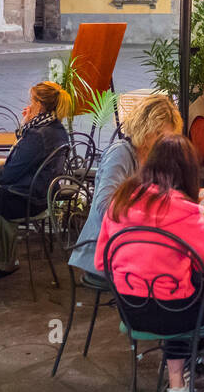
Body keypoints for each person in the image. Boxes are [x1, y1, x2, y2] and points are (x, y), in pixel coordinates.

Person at [95, 134, 204, 392]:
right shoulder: (185, 212)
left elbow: (100, 259)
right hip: (177, 316)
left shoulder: (120, 202)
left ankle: (177, 390)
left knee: (181, 288)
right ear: (187, 171)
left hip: (132, 313)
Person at [69, 94, 182, 278]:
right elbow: (104, 206)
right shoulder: (121, 153)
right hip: (105, 251)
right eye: (159, 135)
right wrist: (147, 214)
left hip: (134, 246)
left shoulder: (152, 156)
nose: (164, 142)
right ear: (144, 130)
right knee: (175, 272)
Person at [0, 81, 71, 222]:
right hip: (44, 197)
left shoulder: (37, 134)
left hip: (23, 199)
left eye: (32, 101)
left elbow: (10, 173)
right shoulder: (58, 129)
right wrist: (25, 125)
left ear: (38, 105)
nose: (30, 105)